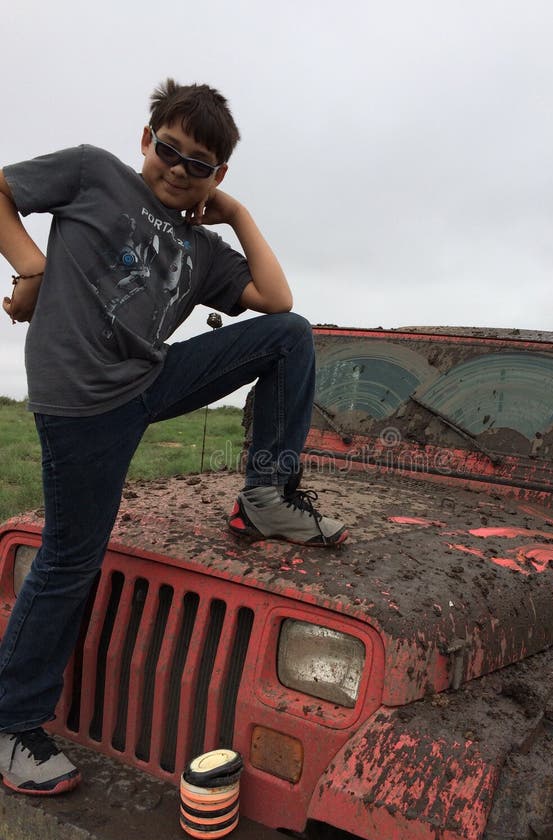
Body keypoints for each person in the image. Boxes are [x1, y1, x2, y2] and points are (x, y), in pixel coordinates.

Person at [0, 78, 347, 797]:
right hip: (83, 404)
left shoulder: (203, 248)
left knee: (288, 336)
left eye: (199, 164)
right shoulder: (93, 172)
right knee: (72, 557)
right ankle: (10, 724)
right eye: (169, 149)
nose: (177, 168)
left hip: (147, 382)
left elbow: (276, 300)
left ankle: (265, 494)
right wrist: (32, 267)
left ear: (216, 176)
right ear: (145, 138)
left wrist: (237, 213)